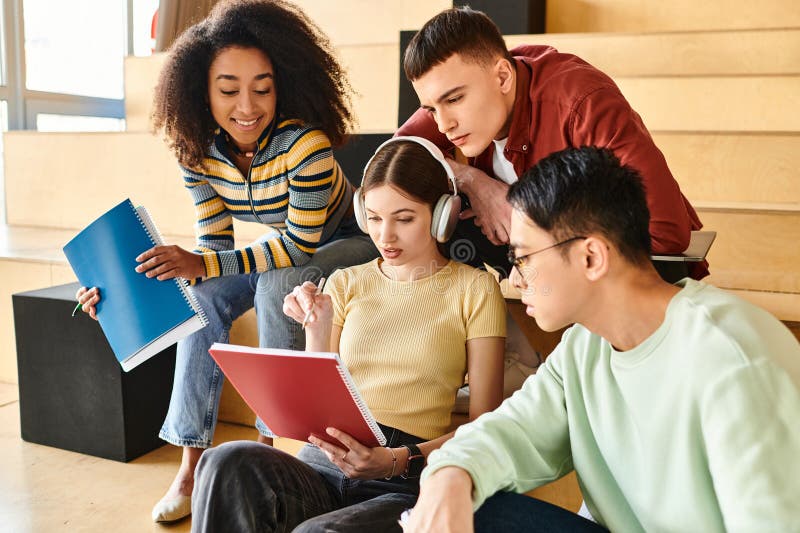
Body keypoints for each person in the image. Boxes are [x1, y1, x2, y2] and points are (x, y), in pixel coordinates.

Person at [74, 0, 378, 522]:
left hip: (349, 240)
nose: (247, 105)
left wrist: (201, 264)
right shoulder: (197, 151)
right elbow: (213, 251)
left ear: (282, 84)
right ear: (201, 89)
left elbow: (298, 249)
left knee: (276, 283)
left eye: (262, 87)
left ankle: (271, 450)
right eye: (229, 89)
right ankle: (191, 465)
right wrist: (126, 290)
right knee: (204, 293)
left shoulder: (306, 144)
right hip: (286, 247)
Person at [403, 146, 800, 533]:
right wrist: (449, 476)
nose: (515, 278)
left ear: (591, 257)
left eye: (523, 258)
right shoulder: (582, 348)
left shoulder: (732, 361)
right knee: (465, 503)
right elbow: (508, 432)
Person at [190, 136, 507, 532]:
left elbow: (486, 426)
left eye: (404, 219)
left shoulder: (475, 289)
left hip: (404, 479)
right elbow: (316, 403)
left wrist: (396, 459)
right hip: (322, 464)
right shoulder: (343, 282)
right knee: (226, 460)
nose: (385, 236)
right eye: (374, 218)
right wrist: (315, 331)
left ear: (442, 214)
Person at [397, 6, 706, 281]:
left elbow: (663, 232)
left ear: (503, 77)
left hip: (626, 283)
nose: (443, 124)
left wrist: (534, 237)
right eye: (431, 109)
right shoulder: (465, 92)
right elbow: (398, 157)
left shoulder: (583, 103)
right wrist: (473, 182)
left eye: (454, 99)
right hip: (539, 283)